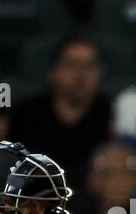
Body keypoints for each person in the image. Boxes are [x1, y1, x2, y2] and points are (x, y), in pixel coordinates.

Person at [10, 36, 112, 180]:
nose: (81, 75)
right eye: (72, 65)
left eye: (90, 66)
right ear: (53, 72)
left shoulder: (111, 115)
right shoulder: (25, 116)